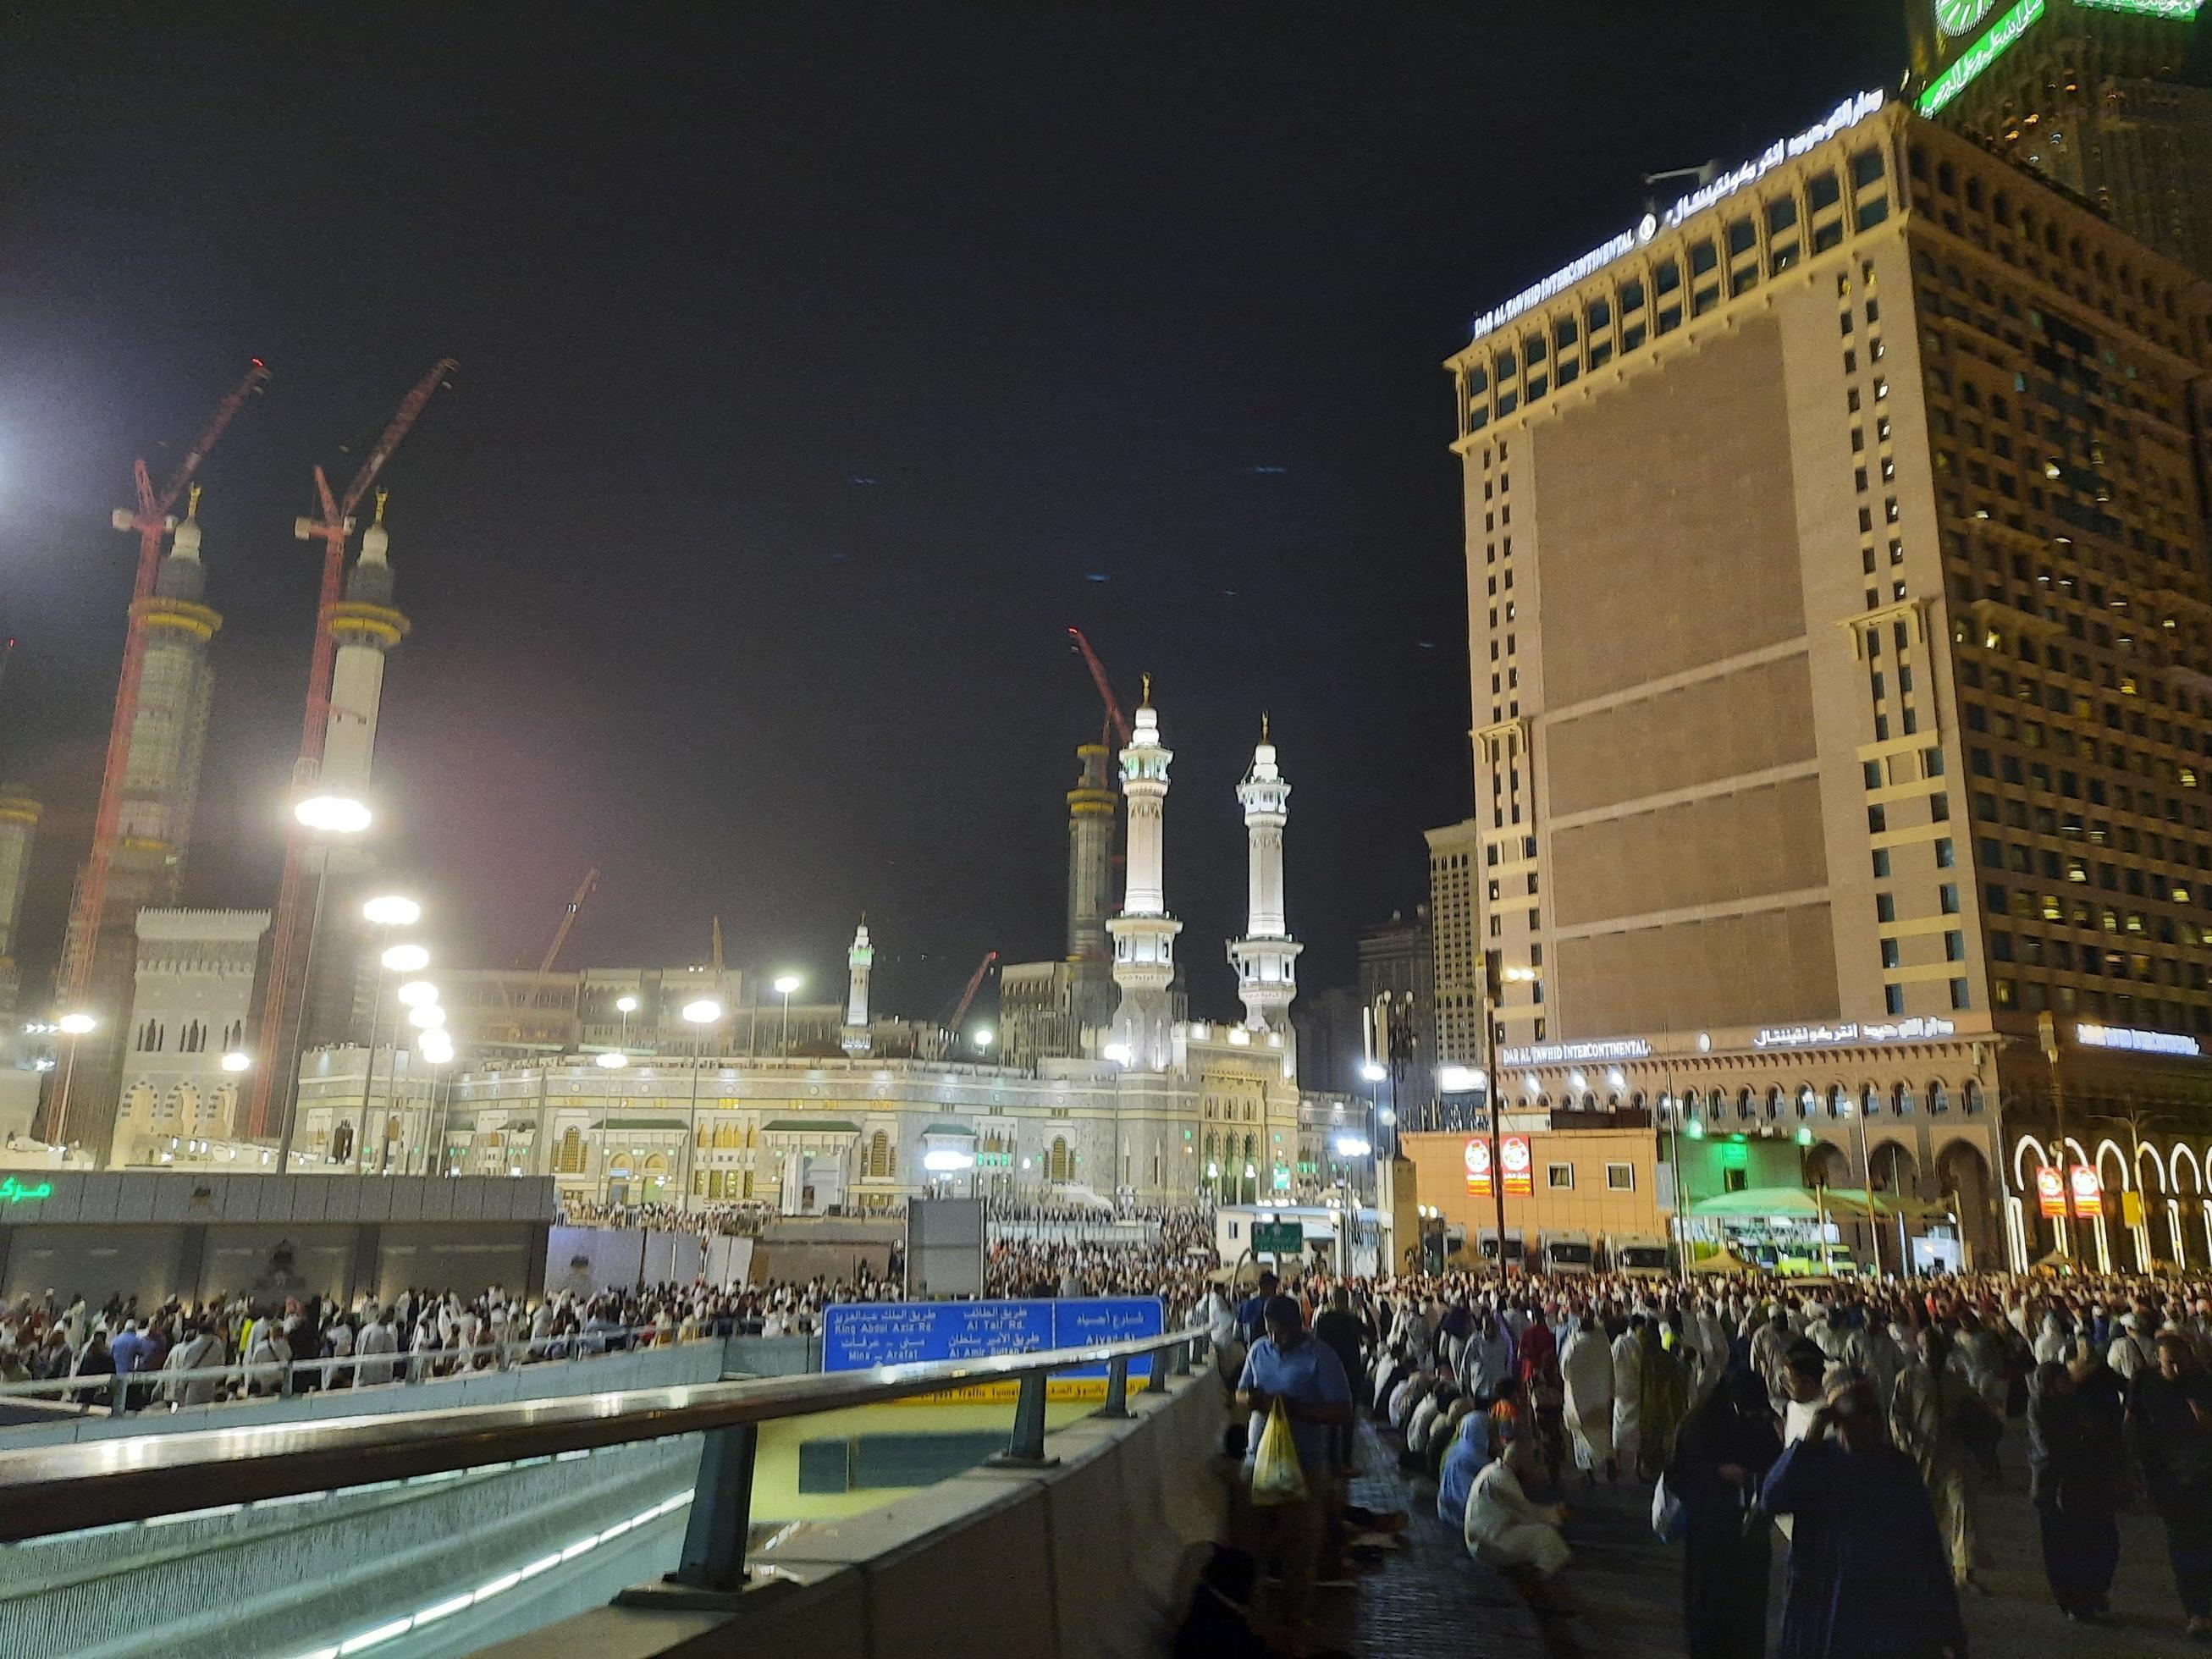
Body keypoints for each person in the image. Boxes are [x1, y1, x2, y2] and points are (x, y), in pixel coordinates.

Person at [1761, 1380, 1967, 1659]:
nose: (1872, 1421)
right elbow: (1773, 1498)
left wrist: (1949, 1629)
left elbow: (1927, 1548)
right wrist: (1811, 1437)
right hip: (1831, 1609)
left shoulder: (1897, 1469)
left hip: (1890, 1615)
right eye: (1860, 1412)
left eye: (1874, 1412)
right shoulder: (1817, 1464)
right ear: (1839, 1419)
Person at [1236, 1293, 1351, 1645]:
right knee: (1248, 1544)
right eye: (1270, 1332)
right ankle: (1247, 1618)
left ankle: (1294, 1620)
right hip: (1258, 1461)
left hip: (1305, 1466)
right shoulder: (1258, 1351)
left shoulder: (1321, 1357)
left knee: (1299, 1549)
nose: (1275, 1339)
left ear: (1298, 1326)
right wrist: (1253, 1400)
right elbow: (1239, 1393)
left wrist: (1297, 1410)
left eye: (1282, 1332)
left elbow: (1342, 1410)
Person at [1668, 1368, 1781, 1658]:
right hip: (1710, 1536)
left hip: (1748, 1537)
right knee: (1709, 1613)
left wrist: (1753, 1477)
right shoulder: (1698, 1425)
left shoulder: (1759, 1421)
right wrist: (1716, 1473)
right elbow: (1678, 1474)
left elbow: (1776, 1469)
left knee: (1746, 1618)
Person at [2127, 1330, 2212, 1639]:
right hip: (2168, 1478)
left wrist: (2192, 1395)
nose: (2174, 1370)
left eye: (2179, 1363)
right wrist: (2132, 1464)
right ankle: (2198, 1612)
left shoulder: (2200, 1382)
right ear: (2157, 1361)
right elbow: (2131, 1422)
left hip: (2203, 1473)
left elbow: (2205, 1422)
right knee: (2184, 1544)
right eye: (2168, 1364)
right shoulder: (2145, 1383)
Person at [1889, 1326, 1986, 1591]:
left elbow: (1975, 1406)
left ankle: (1964, 1570)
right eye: (1930, 1349)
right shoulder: (1908, 1378)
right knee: (1926, 1513)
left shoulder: (1954, 1380)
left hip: (1954, 1452)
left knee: (1963, 1507)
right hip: (1923, 1454)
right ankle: (1924, 1568)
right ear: (1921, 1351)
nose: (1935, 1354)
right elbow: (1897, 1415)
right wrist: (1905, 1443)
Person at [2028, 1352, 2121, 1623]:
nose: (2068, 1385)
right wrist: (2082, 1438)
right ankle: (2073, 1600)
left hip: (2087, 1483)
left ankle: (2094, 1591)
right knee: (2063, 1548)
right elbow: (2048, 1447)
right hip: (2055, 1487)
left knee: (2099, 1540)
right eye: (2062, 1381)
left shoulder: (2078, 1402)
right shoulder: (2041, 1406)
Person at [1464, 1432, 1569, 1580]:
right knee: (1547, 1537)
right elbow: (1527, 1514)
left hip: (1486, 1535)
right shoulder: (1501, 1479)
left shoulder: (1495, 1471)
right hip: (1486, 1542)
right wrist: (1556, 1514)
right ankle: (1537, 1583)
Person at [1560, 1310, 1615, 1481]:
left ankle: (1590, 1472)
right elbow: (1610, 1365)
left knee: (1584, 1438)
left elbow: (1564, 1371)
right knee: (1603, 1434)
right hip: (1600, 1397)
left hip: (1580, 1401)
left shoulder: (1573, 1345)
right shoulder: (1602, 1340)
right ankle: (1609, 1463)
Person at [1436, 1401, 1492, 1531]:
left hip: (1445, 1508)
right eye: (1490, 1431)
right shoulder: (1473, 1458)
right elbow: (1471, 1501)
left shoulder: (1457, 1448)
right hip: (1458, 1515)